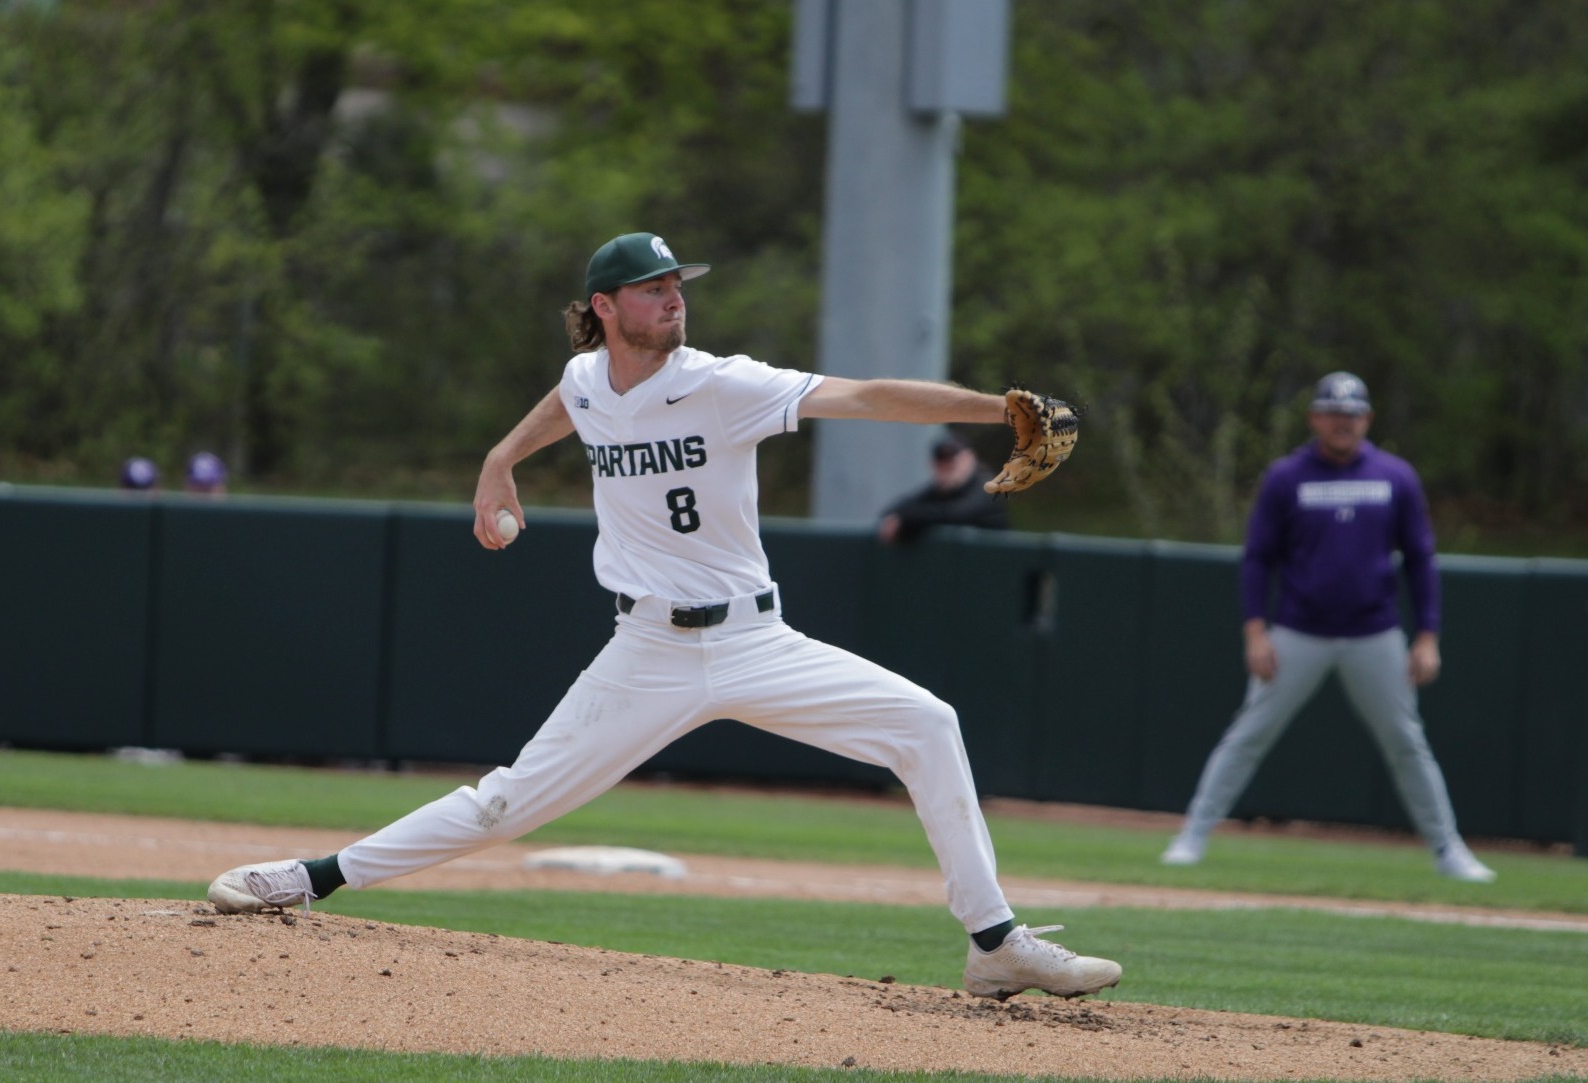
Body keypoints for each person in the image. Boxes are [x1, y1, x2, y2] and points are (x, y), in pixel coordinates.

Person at [207, 231, 1121, 1001]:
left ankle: (993, 941)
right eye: (652, 288)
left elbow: (866, 393)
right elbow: (568, 401)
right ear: (605, 306)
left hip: (756, 639)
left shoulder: (724, 383)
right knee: (508, 802)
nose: (672, 297)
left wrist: (994, 409)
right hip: (644, 648)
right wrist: (499, 458)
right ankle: (309, 877)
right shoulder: (586, 380)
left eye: (676, 284)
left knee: (927, 723)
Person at [1160, 371, 1496, 883]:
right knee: (1249, 733)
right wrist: (1255, 632)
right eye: (1334, 414)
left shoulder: (1395, 476)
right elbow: (1258, 560)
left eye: (1354, 415)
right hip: (1298, 631)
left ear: (1368, 420)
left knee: (1406, 741)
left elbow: (1421, 559)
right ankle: (1193, 835)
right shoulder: (1286, 476)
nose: (1344, 424)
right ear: (1316, 418)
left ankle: (1449, 850)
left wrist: (1428, 635)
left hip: (1375, 632)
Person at [877, 427, 1011, 543]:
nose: (946, 466)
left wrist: (907, 519)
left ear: (968, 458)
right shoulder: (938, 490)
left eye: (952, 461)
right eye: (941, 461)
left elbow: (958, 514)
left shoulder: (988, 487)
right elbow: (892, 511)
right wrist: (902, 521)